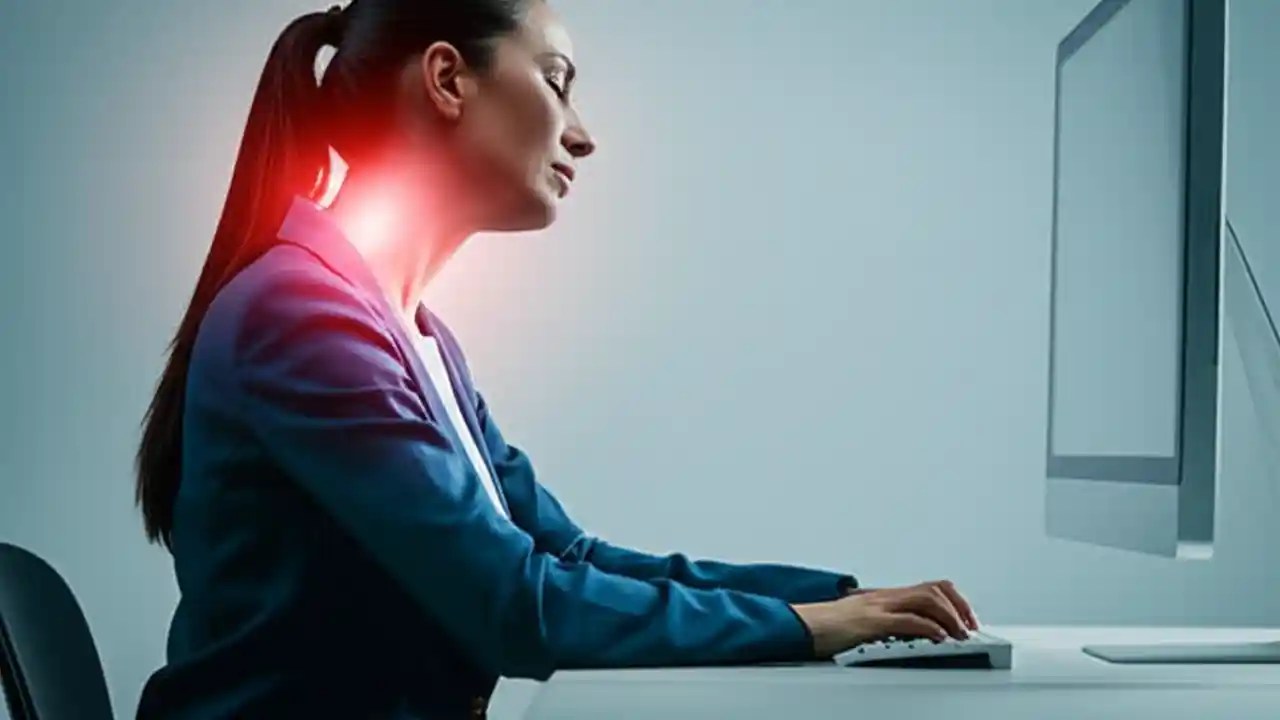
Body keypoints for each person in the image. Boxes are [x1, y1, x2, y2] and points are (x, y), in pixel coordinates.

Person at [133, 1, 981, 718]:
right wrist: (808, 627)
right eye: (556, 82)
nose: (583, 137)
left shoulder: (412, 334)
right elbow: (518, 608)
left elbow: (566, 559)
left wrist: (830, 600)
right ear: (446, 79)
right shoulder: (301, 313)